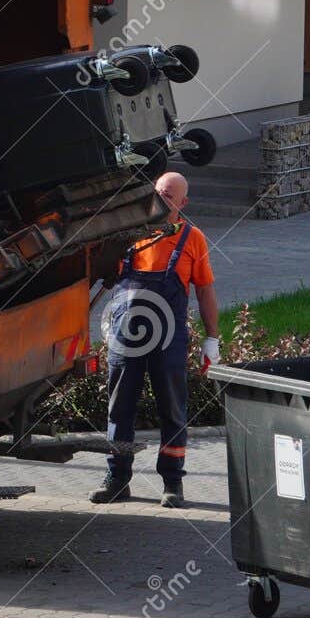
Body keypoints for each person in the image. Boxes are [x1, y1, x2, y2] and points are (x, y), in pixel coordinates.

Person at [90, 171, 221, 509]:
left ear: (183, 203)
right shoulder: (128, 236)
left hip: (169, 339)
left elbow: (205, 291)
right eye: (160, 193)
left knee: (172, 409)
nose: (163, 201)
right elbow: (99, 274)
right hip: (125, 336)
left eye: (170, 197)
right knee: (120, 409)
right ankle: (117, 479)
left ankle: (173, 483)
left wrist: (213, 340)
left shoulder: (193, 239)